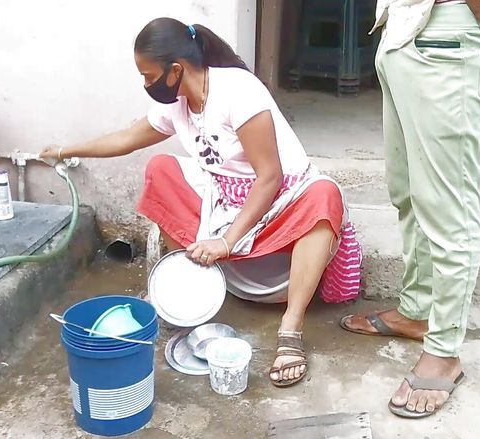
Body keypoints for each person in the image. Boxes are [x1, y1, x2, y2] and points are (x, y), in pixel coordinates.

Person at [41, 17, 361, 388]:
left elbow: (269, 177)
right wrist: (65, 149)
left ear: (175, 70)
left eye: (148, 76)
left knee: (325, 196)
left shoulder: (237, 91)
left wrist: (226, 242)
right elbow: (128, 138)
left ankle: (290, 328)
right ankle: (191, 296)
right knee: (162, 169)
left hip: (279, 196)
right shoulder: (178, 102)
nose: (146, 85)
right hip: (225, 197)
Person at [340, 0, 480, 418]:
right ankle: (417, 311)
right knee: (410, 195)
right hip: (402, 30)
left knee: (449, 209)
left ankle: (445, 350)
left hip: (447, 37)